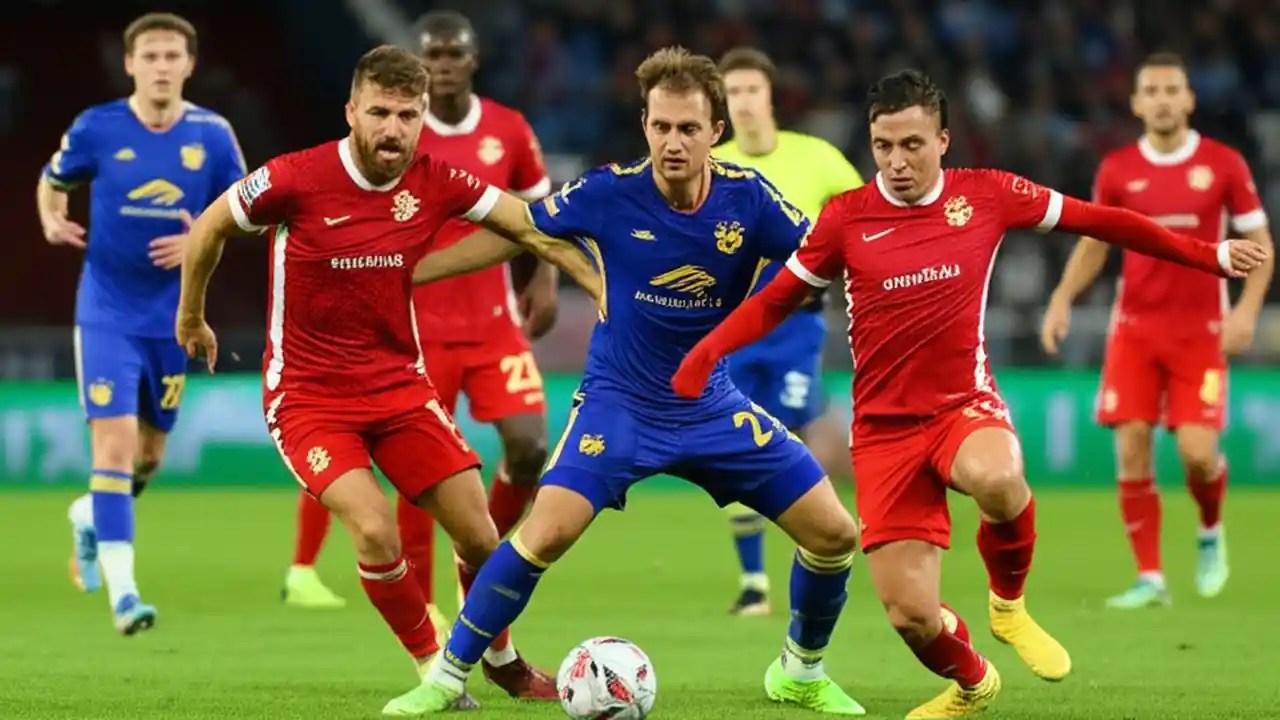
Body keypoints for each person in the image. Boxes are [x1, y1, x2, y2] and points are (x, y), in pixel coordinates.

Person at [672, 69, 1268, 718]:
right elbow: (776, 301)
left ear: (943, 139)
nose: (897, 162)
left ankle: (1008, 605)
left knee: (997, 476)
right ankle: (974, 681)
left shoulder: (987, 195)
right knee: (910, 615)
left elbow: (1106, 221)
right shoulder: (845, 218)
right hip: (882, 431)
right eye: (883, 146)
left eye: (912, 145)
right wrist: (703, 354)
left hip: (962, 406)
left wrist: (1206, 255)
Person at [382, 45, 865, 718]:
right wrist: (412, 272)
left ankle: (799, 672)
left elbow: (821, 253)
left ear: (715, 132)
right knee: (541, 534)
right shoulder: (610, 191)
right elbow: (521, 226)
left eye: (688, 128)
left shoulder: (748, 200)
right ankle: (447, 675)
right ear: (645, 124)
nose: (673, 142)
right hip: (621, 404)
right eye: (662, 126)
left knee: (836, 535)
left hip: (709, 403)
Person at [175, 45, 598, 708]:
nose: (393, 128)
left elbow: (526, 224)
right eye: (379, 112)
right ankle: (436, 669)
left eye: (407, 114)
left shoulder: (437, 180)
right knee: (374, 528)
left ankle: (504, 661)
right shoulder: (294, 177)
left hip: (398, 386)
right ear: (352, 112)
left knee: (484, 538)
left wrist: (599, 287)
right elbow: (209, 228)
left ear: (424, 116)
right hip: (308, 395)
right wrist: (192, 316)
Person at [283, 12, 557, 639]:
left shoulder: (508, 129)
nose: (441, 63)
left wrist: (545, 278)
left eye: (452, 54)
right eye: (430, 53)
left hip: (493, 323)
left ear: (472, 59)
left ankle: (477, 555)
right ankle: (434, 604)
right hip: (413, 330)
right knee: (417, 474)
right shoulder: (396, 133)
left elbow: (538, 212)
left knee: (529, 445)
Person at [36, 11, 246, 635]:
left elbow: (244, 212)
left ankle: (87, 514)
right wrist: (51, 216)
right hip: (105, 312)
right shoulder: (96, 127)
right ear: (129, 64)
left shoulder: (212, 135)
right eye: (149, 56)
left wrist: (199, 244)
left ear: (190, 64)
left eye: (171, 56)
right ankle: (125, 596)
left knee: (149, 458)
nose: (160, 66)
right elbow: (53, 180)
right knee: (115, 446)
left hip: (175, 318)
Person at [1040, 52, 1273, 609]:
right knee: (1132, 447)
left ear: (1189, 98)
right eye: (1153, 90)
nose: (1164, 99)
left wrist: (1245, 312)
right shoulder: (1117, 170)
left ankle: (1210, 528)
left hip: (1201, 331)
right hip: (1135, 330)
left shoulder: (1224, 165)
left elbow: (1260, 247)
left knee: (1196, 454)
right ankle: (1151, 577)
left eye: (1173, 89)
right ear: (1137, 102)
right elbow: (1096, 241)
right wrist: (1062, 297)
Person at [711, 46, 864, 617]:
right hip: (732, 327)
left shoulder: (817, 158)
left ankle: (812, 552)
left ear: (771, 95)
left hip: (797, 325)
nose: (745, 101)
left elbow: (862, 218)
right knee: (734, 443)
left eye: (753, 89)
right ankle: (755, 582)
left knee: (791, 436)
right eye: (735, 92)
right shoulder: (713, 163)